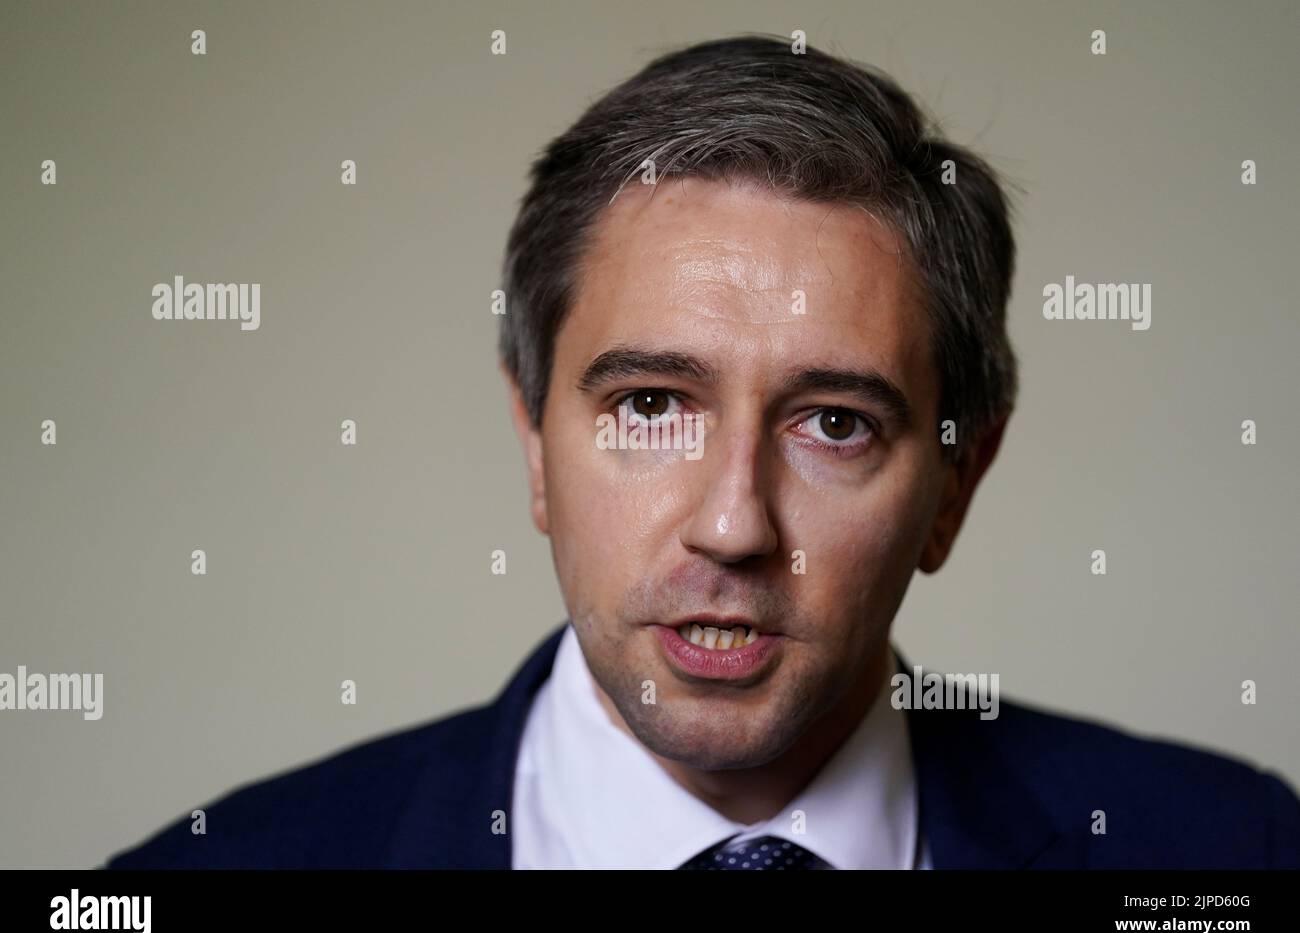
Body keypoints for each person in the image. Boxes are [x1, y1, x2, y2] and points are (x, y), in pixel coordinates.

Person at [106, 34, 1299, 870]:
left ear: (955, 484)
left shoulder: (1229, 852)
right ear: (534, 442)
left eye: (834, 422)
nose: (732, 523)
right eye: (649, 404)